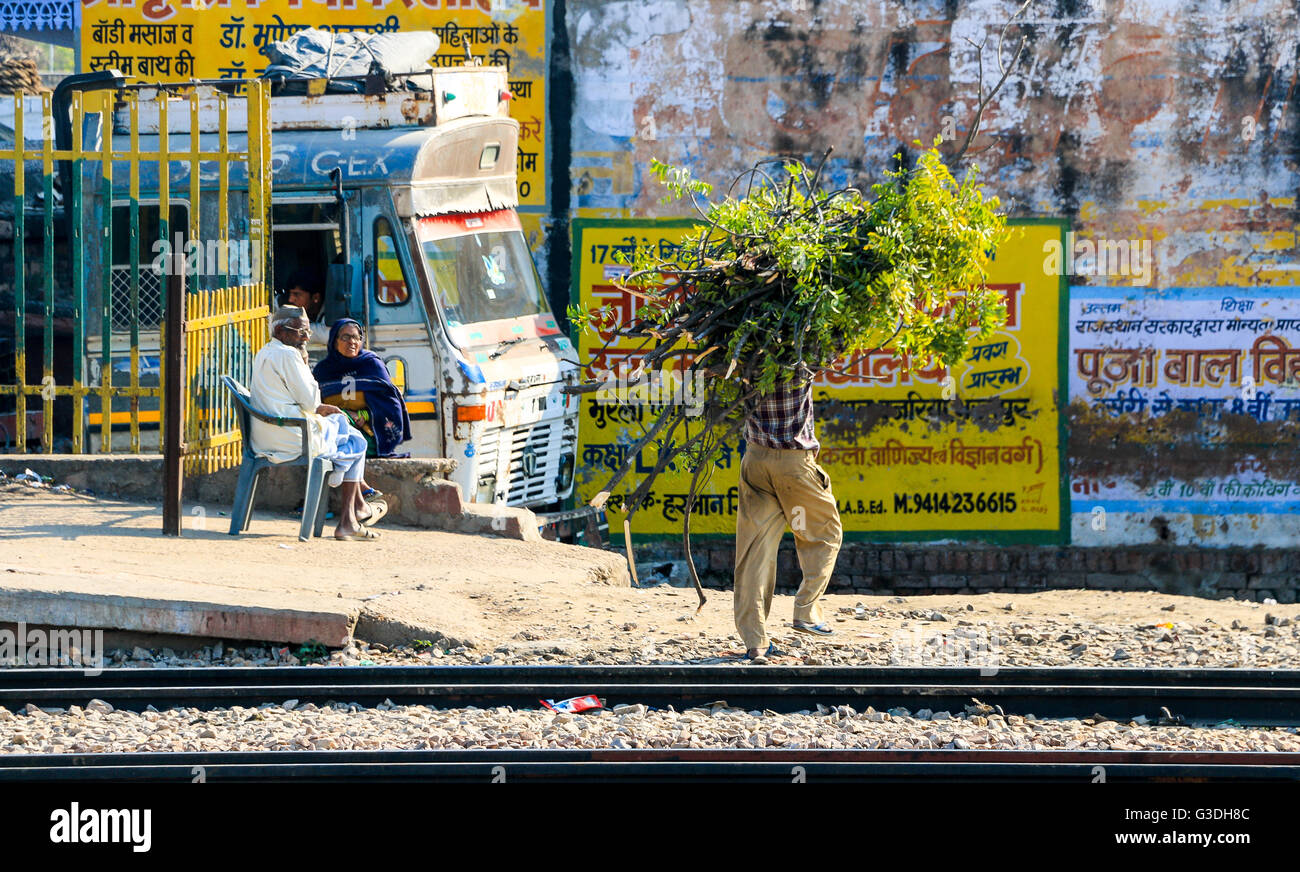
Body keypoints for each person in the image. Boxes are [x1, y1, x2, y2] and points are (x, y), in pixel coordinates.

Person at [733, 366, 843, 662]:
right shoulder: (800, 356)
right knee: (821, 535)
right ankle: (806, 611)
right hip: (793, 467)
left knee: (755, 552)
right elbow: (836, 345)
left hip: (755, 461)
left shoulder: (744, 357)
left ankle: (755, 642)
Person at [250, 306, 386, 541]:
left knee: (344, 429)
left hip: (266, 435)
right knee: (355, 439)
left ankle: (356, 509)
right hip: (292, 437)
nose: (305, 338)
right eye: (300, 332)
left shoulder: (265, 352)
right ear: (281, 331)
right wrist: (304, 363)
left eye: (308, 333)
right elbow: (311, 401)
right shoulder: (289, 354)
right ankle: (349, 519)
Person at [313, 318, 412, 459]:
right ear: (335, 341)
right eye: (345, 337)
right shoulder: (323, 370)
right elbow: (313, 403)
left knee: (349, 445)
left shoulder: (372, 365)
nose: (352, 342)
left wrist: (363, 416)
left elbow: (389, 404)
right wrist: (343, 414)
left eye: (356, 337)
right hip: (331, 429)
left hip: (368, 432)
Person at [283, 270, 328, 350]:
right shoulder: (283, 304)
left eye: (297, 294)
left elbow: (327, 335)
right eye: (290, 294)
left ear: (315, 297)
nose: (290, 299)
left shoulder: (330, 313)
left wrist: (292, 330)